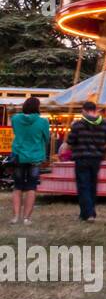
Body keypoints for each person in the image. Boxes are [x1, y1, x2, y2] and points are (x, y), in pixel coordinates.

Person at [66, 100, 106, 222]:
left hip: (81, 157)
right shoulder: (105, 124)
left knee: (83, 185)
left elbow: (70, 141)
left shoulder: (77, 125)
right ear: (95, 109)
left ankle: (88, 214)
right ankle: (88, 212)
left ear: (84, 110)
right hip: (96, 158)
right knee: (92, 185)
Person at [9, 96, 51, 224]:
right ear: (38, 107)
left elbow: (16, 132)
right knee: (31, 187)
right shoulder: (43, 122)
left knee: (17, 187)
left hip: (18, 156)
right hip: (35, 157)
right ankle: (27, 218)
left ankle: (16, 217)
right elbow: (47, 139)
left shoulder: (15, 119)